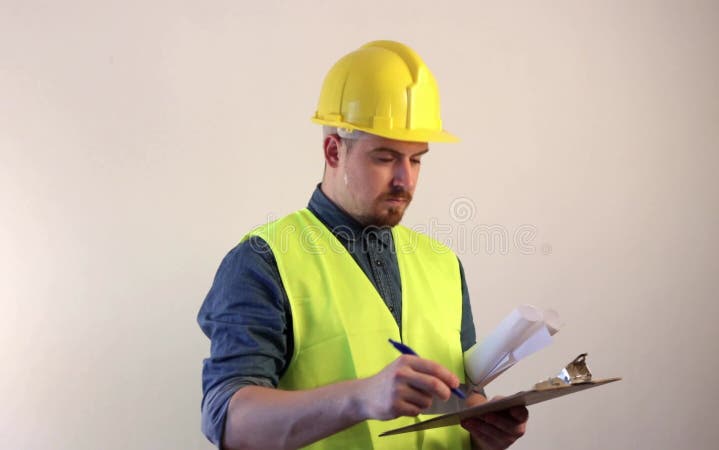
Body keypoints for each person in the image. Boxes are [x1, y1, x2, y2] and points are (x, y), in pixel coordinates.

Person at [198, 40, 529, 449]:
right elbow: (230, 422)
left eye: (417, 159)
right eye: (385, 157)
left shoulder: (443, 264)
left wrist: (485, 433)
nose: (406, 180)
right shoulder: (264, 261)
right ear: (333, 150)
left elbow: (464, 395)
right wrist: (362, 397)